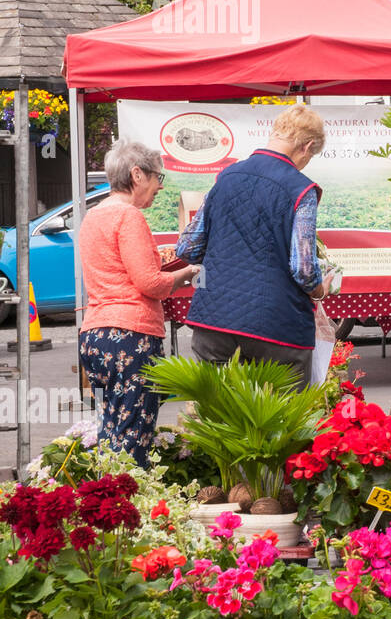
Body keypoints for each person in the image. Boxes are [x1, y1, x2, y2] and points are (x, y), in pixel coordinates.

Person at [177, 104, 330, 387]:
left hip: (213, 319)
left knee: (219, 418)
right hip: (276, 326)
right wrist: (321, 288)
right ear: (307, 147)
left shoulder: (226, 177)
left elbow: (188, 247)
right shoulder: (302, 189)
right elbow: (303, 268)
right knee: (283, 422)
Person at [79, 140, 202, 463]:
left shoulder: (93, 216)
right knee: (135, 432)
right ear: (137, 174)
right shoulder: (128, 216)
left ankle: (105, 498)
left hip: (95, 334)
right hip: (130, 336)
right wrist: (186, 273)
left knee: (112, 428)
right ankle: (127, 503)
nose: (159, 186)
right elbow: (150, 284)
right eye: (157, 177)